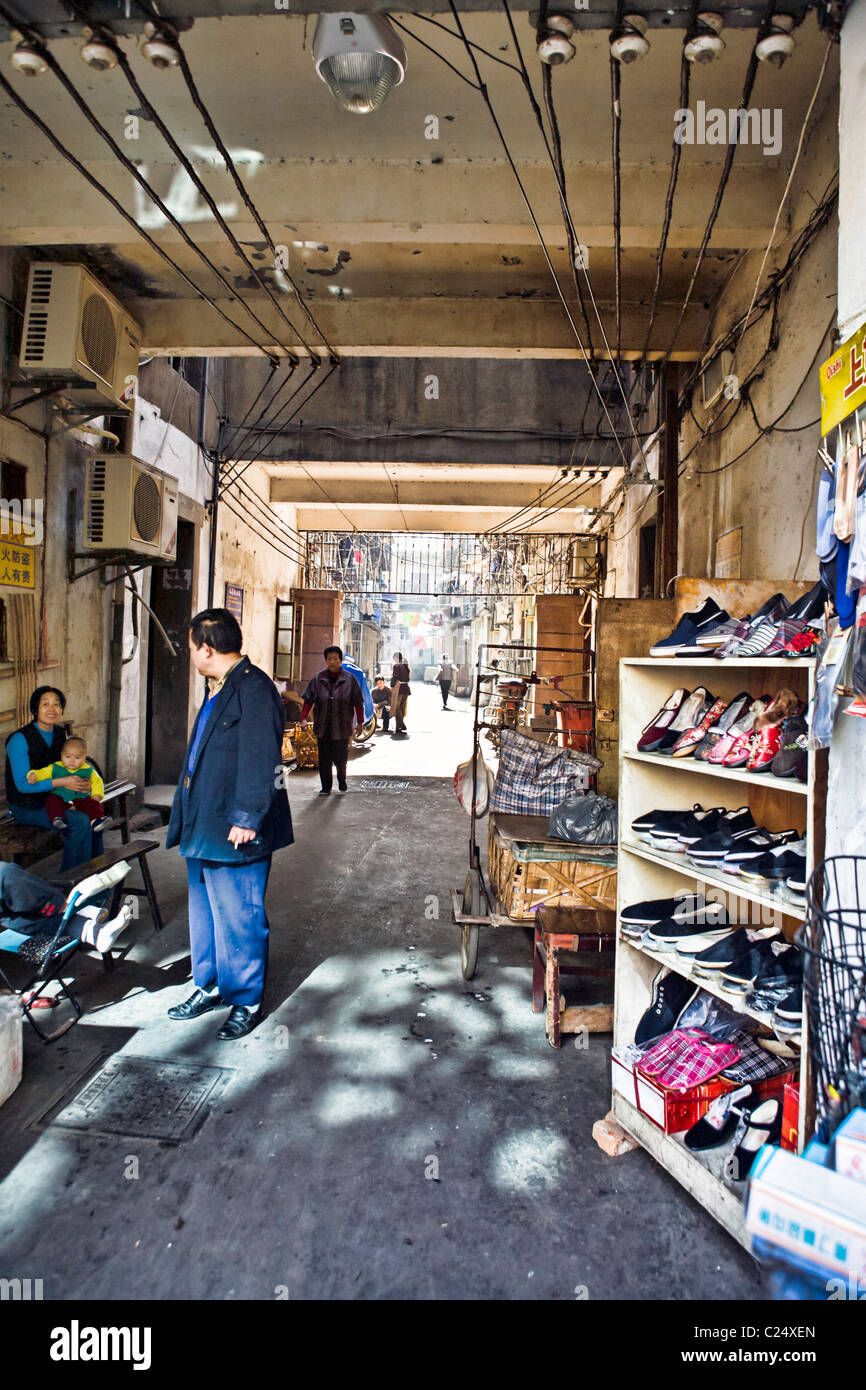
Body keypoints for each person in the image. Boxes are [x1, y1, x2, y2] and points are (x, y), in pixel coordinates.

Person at [165, 607, 293, 1041]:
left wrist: (246, 816)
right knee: (204, 913)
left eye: (190, 648)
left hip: (235, 825)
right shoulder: (219, 686)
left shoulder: (253, 688)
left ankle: (245, 999)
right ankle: (210, 983)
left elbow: (262, 757)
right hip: (204, 822)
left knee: (240, 915)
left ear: (206, 648)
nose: (190, 655)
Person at [5, 686, 103, 870]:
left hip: (56, 798)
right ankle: (71, 882)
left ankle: (94, 874)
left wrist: (84, 784)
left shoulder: (59, 734)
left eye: (56, 705)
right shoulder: (19, 739)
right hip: (26, 806)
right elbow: (22, 786)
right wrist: (62, 782)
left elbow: (69, 768)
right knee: (80, 822)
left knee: (95, 817)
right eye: (45, 704)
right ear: (35, 709)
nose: (52, 709)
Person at [301, 645, 364, 794]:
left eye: (335, 659)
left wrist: (360, 723)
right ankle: (326, 787)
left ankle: (342, 780)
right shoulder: (318, 679)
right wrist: (304, 717)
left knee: (341, 758)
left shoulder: (350, 680)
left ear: (340, 660)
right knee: (324, 759)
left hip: (342, 727)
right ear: (326, 660)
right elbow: (309, 700)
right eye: (329, 659)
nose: (333, 662)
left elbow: (358, 703)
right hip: (323, 726)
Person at [27, 735, 106, 832]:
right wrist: (33, 775)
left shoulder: (88, 770)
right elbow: (42, 773)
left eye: (77, 757)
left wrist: (97, 795)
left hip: (80, 798)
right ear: (62, 755)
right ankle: (57, 819)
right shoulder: (55, 767)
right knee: (52, 801)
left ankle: (97, 821)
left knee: (93, 804)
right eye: (67, 757)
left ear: (84, 757)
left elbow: (98, 781)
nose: (72, 761)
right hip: (60, 797)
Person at [390, 651, 411, 736]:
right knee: (402, 708)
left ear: (396, 658)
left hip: (399, 688)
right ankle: (399, 727)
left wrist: (391, 686)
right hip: (406, 688)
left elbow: (395, 677)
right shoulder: (406, 666)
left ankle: (400, 725)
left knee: (397, 708)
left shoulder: (396, 666)